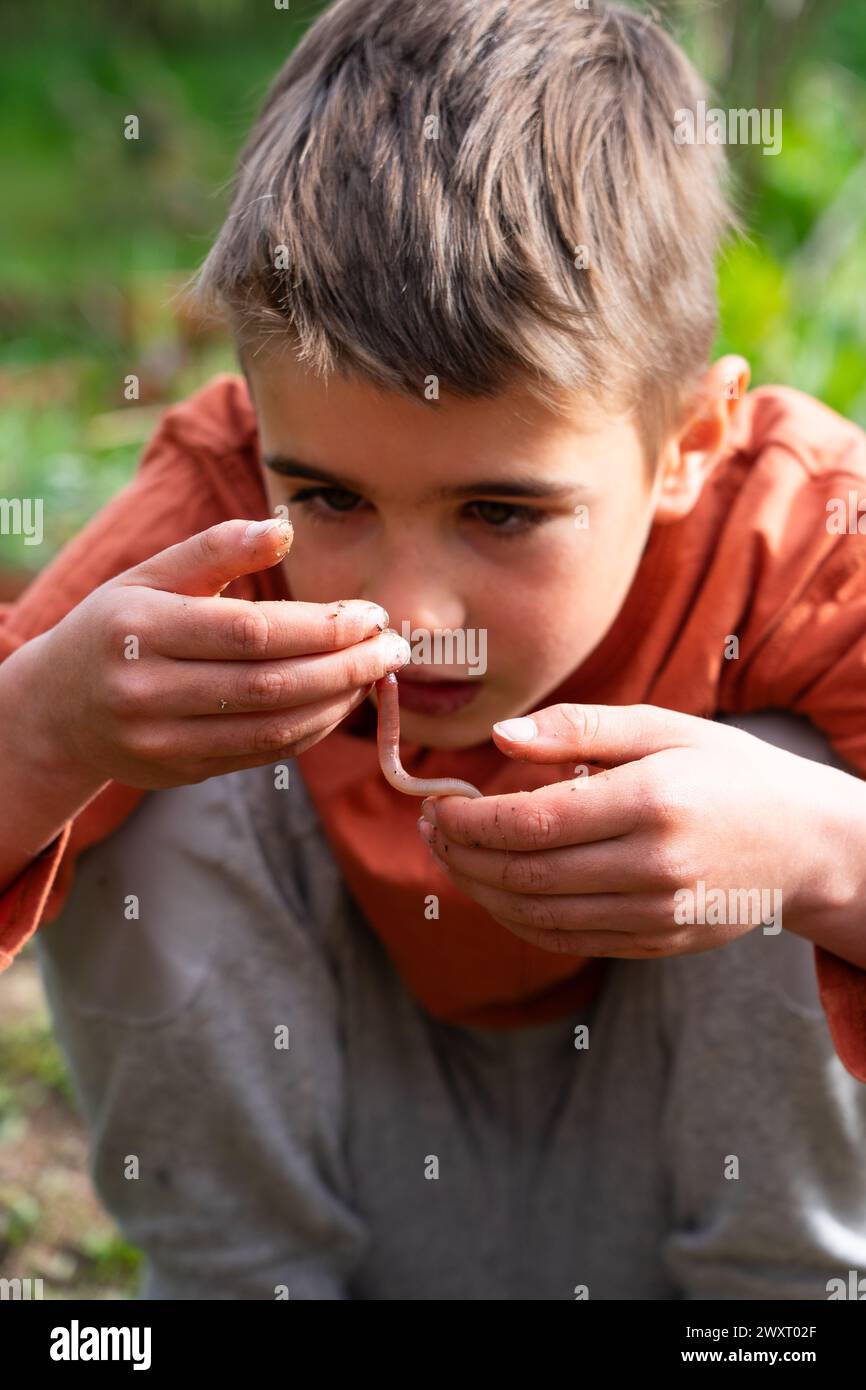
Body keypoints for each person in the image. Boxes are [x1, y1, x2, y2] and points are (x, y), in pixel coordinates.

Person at [2, 0, 866, 1299]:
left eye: (501, 511)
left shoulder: (802, 529)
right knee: (127, 706)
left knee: (783, 784)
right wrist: (46, 730)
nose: (407, 608)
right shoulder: (218, 508)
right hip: (325, 1183)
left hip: (714, 1226)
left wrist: (813, 853)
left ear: (686, 441)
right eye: (332, 499)